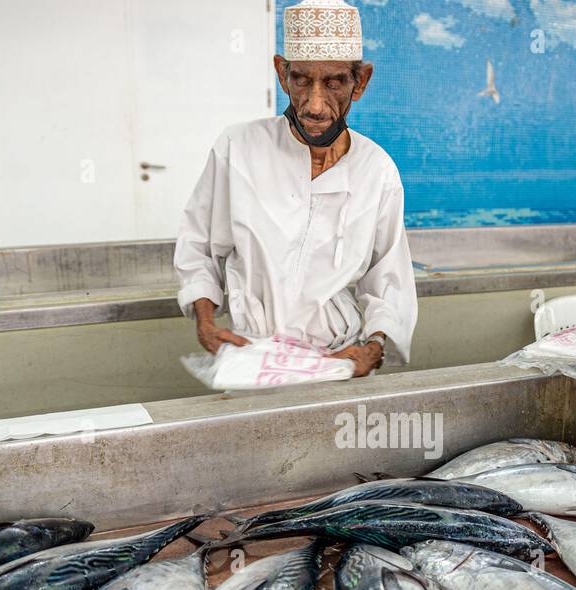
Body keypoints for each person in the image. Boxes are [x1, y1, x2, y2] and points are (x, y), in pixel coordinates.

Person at [174, 0, 414, 378]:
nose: (315, 105)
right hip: (252, 356)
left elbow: (388, 280)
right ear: (282, 73)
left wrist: (374, 347)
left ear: (360, 81)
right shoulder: (239, 148)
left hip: (337, 360)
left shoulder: (377, 170)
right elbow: (199, 247)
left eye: (334, 82)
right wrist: (205, 322)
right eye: (302, 80)